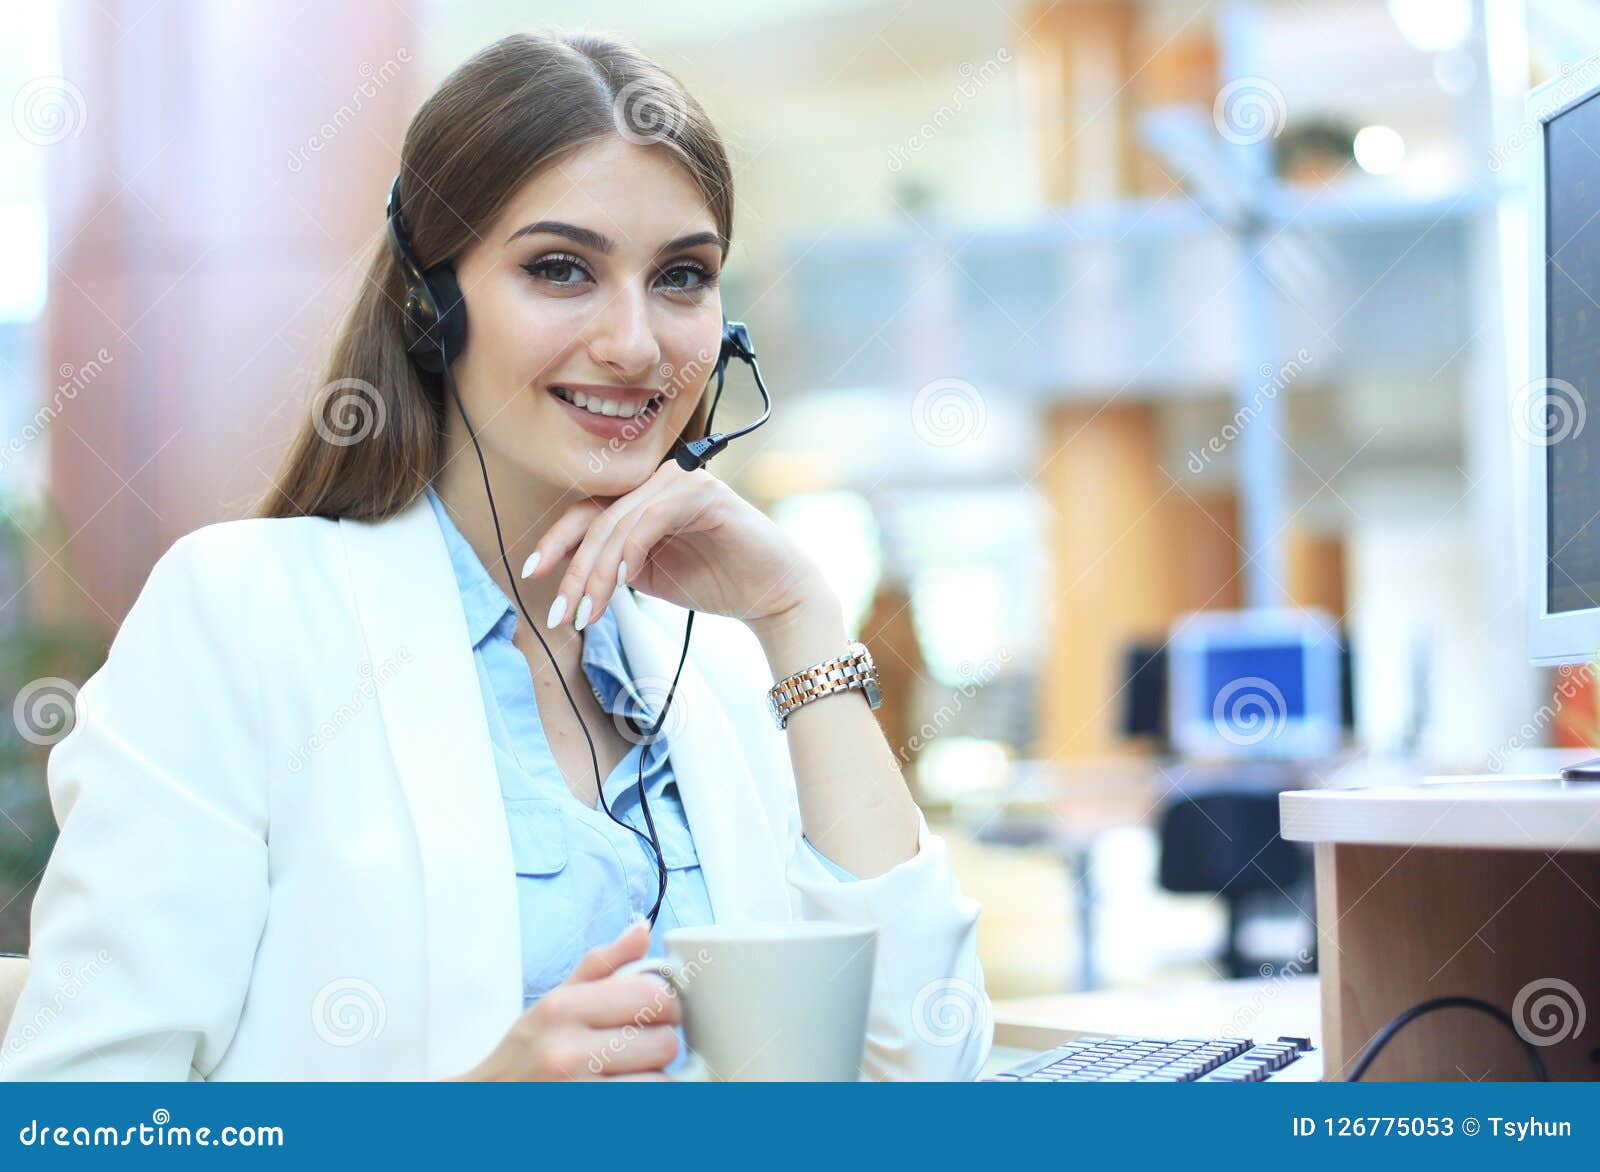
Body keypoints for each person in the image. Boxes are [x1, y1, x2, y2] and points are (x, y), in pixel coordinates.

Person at [0, 29, 989, 1081]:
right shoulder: (244, 615)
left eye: (682, 277)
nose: (636, 342)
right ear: (435, 304)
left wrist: (798, 614)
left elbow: (929, 1071)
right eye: (560, 269)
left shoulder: (724, 670)